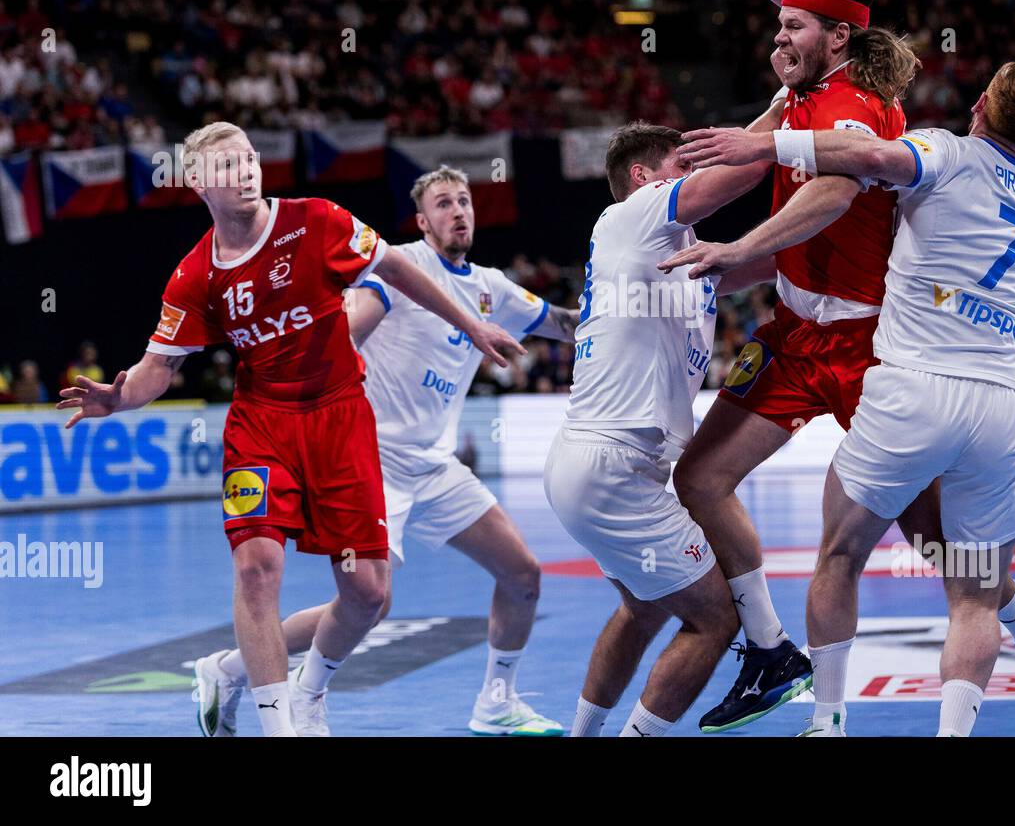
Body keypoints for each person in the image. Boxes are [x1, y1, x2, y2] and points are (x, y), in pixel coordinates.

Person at [59, 121, 523, 737]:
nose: (246, 170)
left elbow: (397, 268)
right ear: (198, 182)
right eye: (228, 165)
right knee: (256, 568)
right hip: (262, 425)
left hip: (342, 420)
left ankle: (235, 673)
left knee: (367, 594)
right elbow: (159, 367)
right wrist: (117, 400)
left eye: (250, 159)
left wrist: (470, 323)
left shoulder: (318, 221)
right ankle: (280, 727)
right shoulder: (195, 276)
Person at [667, 58, 1015, 737]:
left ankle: (828, 723)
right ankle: (1013, 668)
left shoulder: (941, 149)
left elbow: (863, 156)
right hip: (1001, 408)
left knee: (845, 556)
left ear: (977, 104)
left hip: (910, 386)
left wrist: (763, 141)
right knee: (968, 592)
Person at [194, 164, 580, 737]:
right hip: (373, 457)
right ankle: (278, 685)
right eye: (444, 204)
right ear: (424, 222)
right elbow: (350, 322)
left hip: (435, 465)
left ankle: (496, 700)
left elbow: (567, 326)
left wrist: (629, 301)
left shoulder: (491, 288)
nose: (459, 212)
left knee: (522, 573)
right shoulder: (400, 268)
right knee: (369, 602)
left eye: (465, 200)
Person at [545, 119, 779, 737]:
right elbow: (743, 171)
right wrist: (787, 113)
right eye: (684, 164)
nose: (696, 173)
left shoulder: (679, 264)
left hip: (600, 466)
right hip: (614, 465)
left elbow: (771, 258)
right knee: (714, 620)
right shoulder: (629, 217)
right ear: (644, 179)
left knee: (643, 607)